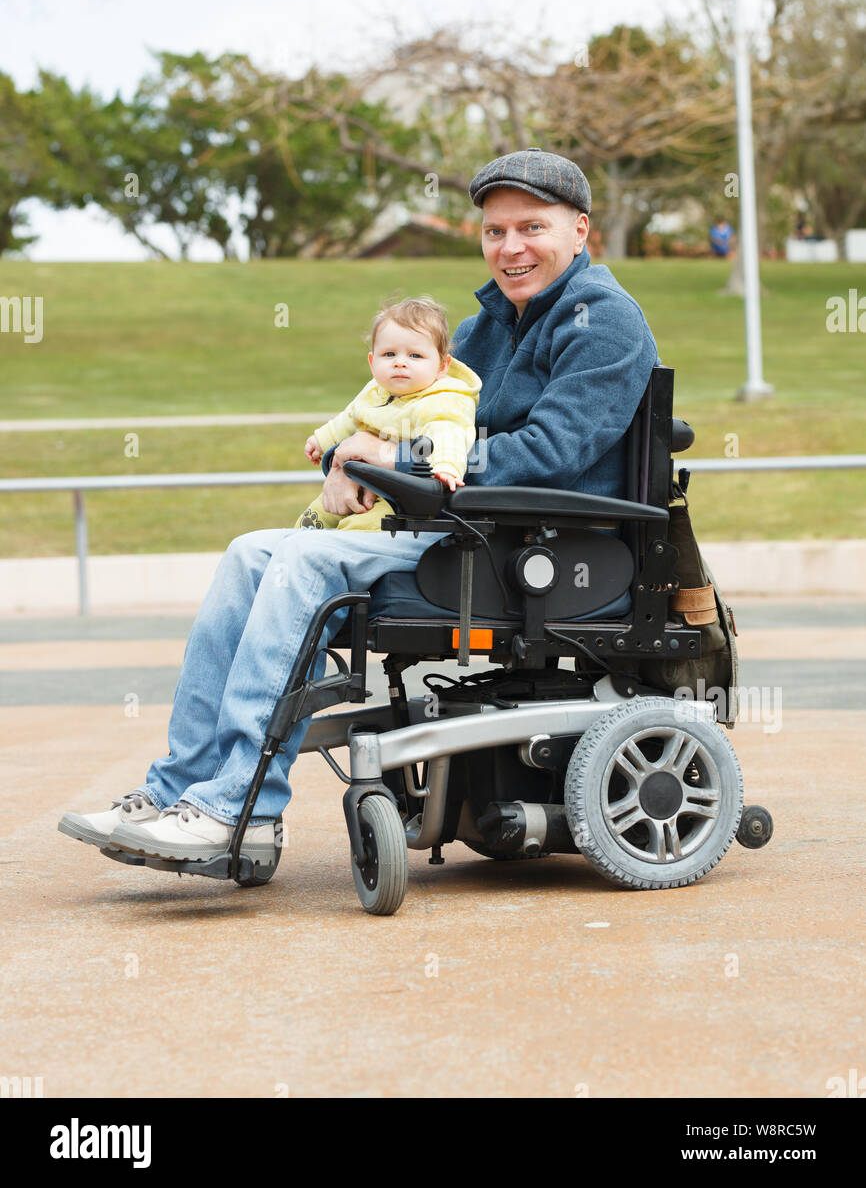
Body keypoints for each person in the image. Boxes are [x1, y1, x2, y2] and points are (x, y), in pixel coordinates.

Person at [58, 147, 659, 871]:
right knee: (253, 549)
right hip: (460, 535)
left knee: (306, 560)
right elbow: (415, 427)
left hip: (543, 555)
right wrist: (356, 466)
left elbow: (550, 451)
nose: (511, 247)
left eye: (531, 227)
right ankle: (180, 789)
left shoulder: (606, 322)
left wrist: (396, 468)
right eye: (495, 232)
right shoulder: (479, 333)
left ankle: (236, 810)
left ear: (580, 230)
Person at [295, 296, 481, 531]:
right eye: (389, 354)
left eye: (415, 356)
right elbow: (351, 417)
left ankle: (336, 552)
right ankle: (298, 542)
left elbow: (449, 435)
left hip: (399, 497)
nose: (400, 363)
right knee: (312, 519)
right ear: (373, 362)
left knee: (362, 527)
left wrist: (444, 468)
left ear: (442, 366)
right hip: (358, 480)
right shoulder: (376, 391)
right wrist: (322, 440)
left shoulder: (444, 401)